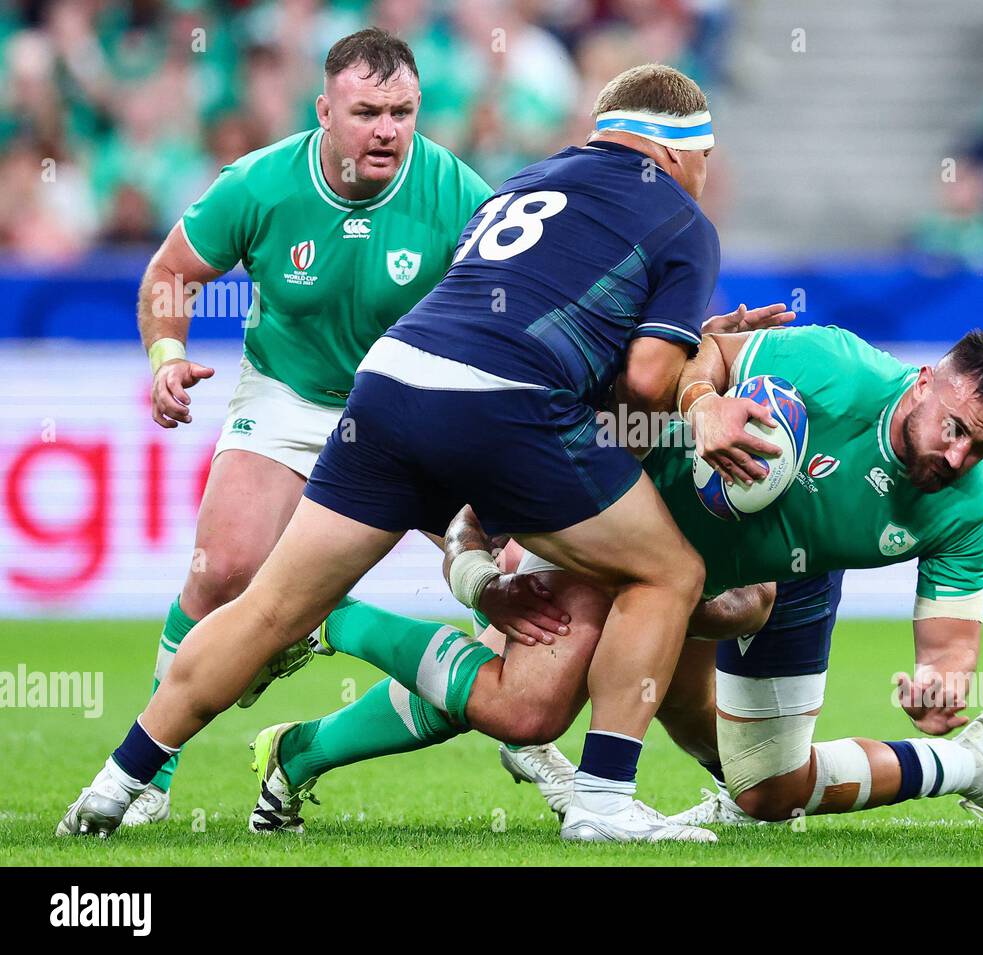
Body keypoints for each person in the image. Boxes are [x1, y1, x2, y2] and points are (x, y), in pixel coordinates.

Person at [59, 63, 775, 844]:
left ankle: (114, 784)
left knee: (267, 605)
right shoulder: (679, 218)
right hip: (497, 407)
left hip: (390, 387)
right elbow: (641, 382)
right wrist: (700, 378)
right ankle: (604, 801)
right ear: (680, 152)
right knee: (670, 572)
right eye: (707, 156)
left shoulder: (523, 183)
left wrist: (686, 345)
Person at [242, 327, 983, 833]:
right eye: (956, 430)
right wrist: (704, 400)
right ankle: (331, 635)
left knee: (765, 791)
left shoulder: (967, 508)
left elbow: (947, 650)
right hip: (640, 537)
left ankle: (969, 764)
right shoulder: (831, 367)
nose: (960, 457)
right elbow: (709, 353)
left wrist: (940, 691)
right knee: (528, 692)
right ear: (926, 380)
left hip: (773, 589)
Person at [122, 27, 493, 826]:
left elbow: (506, 309)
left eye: (403, 112)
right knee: (221, 571)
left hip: (407, 406)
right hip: (289, 396)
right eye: (367, 112)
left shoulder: (459, 192)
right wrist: (165, 356)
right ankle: (152, 773)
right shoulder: (259, 184)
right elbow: (171, 273)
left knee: (516, 592)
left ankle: (508, 737)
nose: (388, 130)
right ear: (324, 110)